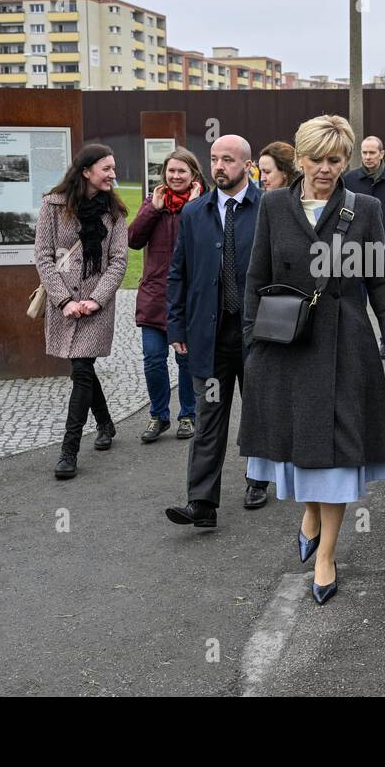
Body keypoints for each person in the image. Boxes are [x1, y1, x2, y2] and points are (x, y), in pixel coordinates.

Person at [239, 115, 385, 605]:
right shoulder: (272, 206)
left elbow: (381, 283)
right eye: (317, 159)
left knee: (337, 456)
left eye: (336, 160)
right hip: (285, 346)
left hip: (344, 348)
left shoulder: (366, 208)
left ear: (347, 160)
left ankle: (327, 555)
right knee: (302, 449)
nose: (326, 169)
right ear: (300, 157)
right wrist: (252, 340)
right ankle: (309, 513)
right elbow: (255, 276)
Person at [164, 134, 271, 526]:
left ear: (247, 165)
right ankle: (202, 502)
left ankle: (258, 478)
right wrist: (176, 324)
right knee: (209, 415)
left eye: (228, 159)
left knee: (258, 411)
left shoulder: (268, 209)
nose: (219, 166)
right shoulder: (195, 213)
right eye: (214, 159)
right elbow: (179, 273)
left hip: (257, 335)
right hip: (210, 337)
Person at [34, 144, 130, 479]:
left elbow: (119, 262)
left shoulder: (115, 213)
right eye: (107, 168)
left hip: (95, 306)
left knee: (82, 369)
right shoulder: (52, 205)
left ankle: (68, 451)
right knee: (82, 368)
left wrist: (96, 300)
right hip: (66, 303)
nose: (113, 175)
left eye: (113, 168)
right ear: (86, 171)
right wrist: (64, 300)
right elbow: (44, 257)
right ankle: (105, 423)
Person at [128, 148, 203, 443]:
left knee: (185, 360)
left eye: (181, 171)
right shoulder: (154, 202)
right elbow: (133, 240)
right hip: (155, 294)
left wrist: (192, 210)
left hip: (188, 297)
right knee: (153, 359)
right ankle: (159, 415)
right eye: (171, 171)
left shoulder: (204, 204)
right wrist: (152, 209)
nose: (175, 176)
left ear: (193, 175)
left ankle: (188, 415)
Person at [343, 135, 385, 235]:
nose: (367, 157)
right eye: (364, 153)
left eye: (372, 153)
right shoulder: (349, 179)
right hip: (356, 242)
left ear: (381, 154)